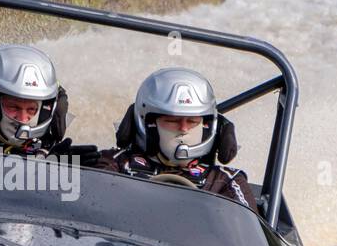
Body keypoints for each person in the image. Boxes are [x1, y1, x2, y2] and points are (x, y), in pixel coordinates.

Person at [96, 67, 257, 210]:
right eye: (172, 120)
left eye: (192, 121)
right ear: (149, 124)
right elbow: (86, 210)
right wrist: (72, 160)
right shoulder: (116, 163)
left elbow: (248, 239)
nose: (184, 128)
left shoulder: (225, 181)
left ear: (207, 125)